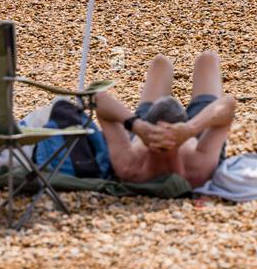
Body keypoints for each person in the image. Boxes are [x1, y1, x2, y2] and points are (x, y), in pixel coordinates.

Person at [94, 52, 235, 188]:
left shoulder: (129, 167)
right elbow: (228, 105)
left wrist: (137, 125)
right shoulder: (197, 170)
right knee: (207, 59)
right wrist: (190, 129)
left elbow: (99, 100)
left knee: (160, 62)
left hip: (148, 132)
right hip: (195, 136)